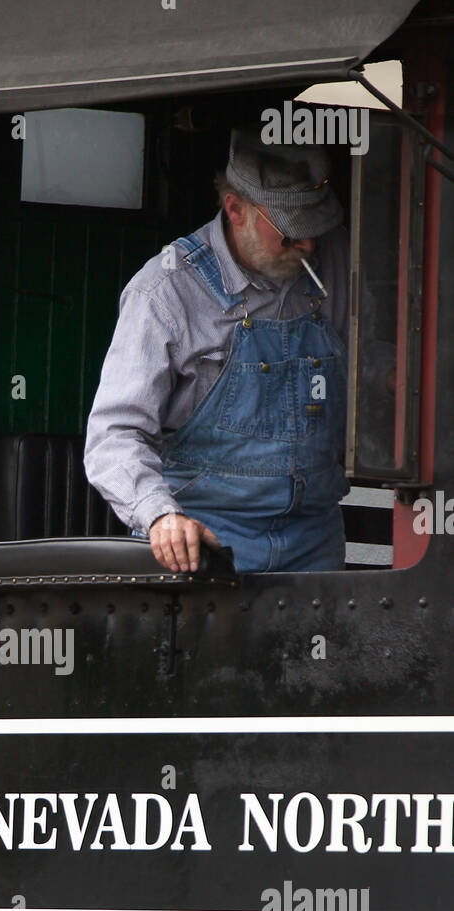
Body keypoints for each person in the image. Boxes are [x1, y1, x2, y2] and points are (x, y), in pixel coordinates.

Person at [84, 126, 350, 575]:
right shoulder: (164, 292)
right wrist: (159, 515)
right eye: (290, 234)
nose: (308, 247)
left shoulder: (338, 259)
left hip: (314, 539)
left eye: (315, 230)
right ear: (235, 209)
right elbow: (115, 434)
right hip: (205, 543)